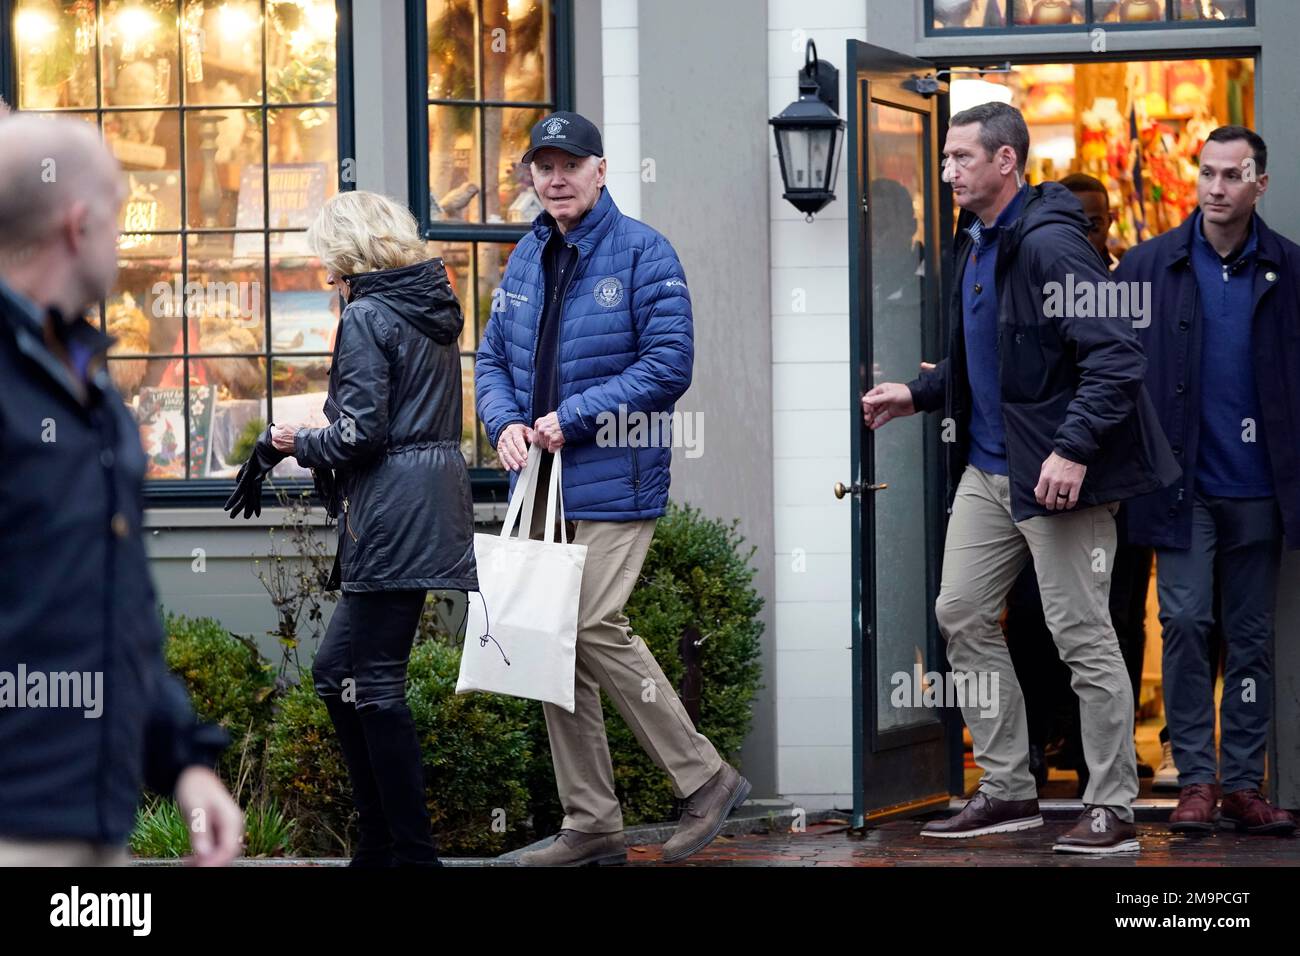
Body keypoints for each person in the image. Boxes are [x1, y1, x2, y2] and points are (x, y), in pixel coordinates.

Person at [862, 102, 1178, 854]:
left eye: (961, 158)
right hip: (989, 470)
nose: (947, 172)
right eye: (945, 158)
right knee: (960, 613)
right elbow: (987, 363)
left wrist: (1070, 451)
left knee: (1081, 635)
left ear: (1006, 161)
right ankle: (1008, 788)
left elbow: (1117, 357)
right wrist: (918, 393)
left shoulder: (1051, 245)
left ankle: (1112, 806)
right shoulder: (976, 244)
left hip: (1056, 474)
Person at [475, 110, 749, 866]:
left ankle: (706, 777)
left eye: (571, 164)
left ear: (601, 171)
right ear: (531, 175)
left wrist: (577, 417)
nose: (556, 178)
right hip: (540, 480)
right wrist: (501, 421)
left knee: (592, 623)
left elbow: (669, 365)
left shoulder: (643, 253)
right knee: (550, 648)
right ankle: (591, 822)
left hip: (612, 474)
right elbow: (491, 356)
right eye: (544, 165)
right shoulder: (526, 257)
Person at [0, 112, 241, 867]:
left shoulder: (88, 387)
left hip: (91, 820)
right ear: (80, 224)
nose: (123, 241)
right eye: (116, 212)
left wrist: (185, 763)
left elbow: (114, 600)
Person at [227, 190, 479, 866]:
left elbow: (362, 433)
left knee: (369, 681)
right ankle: (381, 843)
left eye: (327, 261)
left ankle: (408, 852)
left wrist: (294, 443)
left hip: (394, 515)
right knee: (342, 671)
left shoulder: (368, 314)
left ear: (349, 254)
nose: (323, 275)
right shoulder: (429, 305)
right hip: (425, 507)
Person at [1117, 126, 1300, 836]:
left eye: (1233, 175)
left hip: (1260, 491)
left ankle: (1243, 784)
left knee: (1250, 640)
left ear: (1261, 183)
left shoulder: (1288, 270)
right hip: (1180, 487)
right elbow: (1098, 363)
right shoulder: (1147, 266)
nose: (1216, 188)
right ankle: (1195, 778)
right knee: (1187, 624)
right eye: (1207, 173)